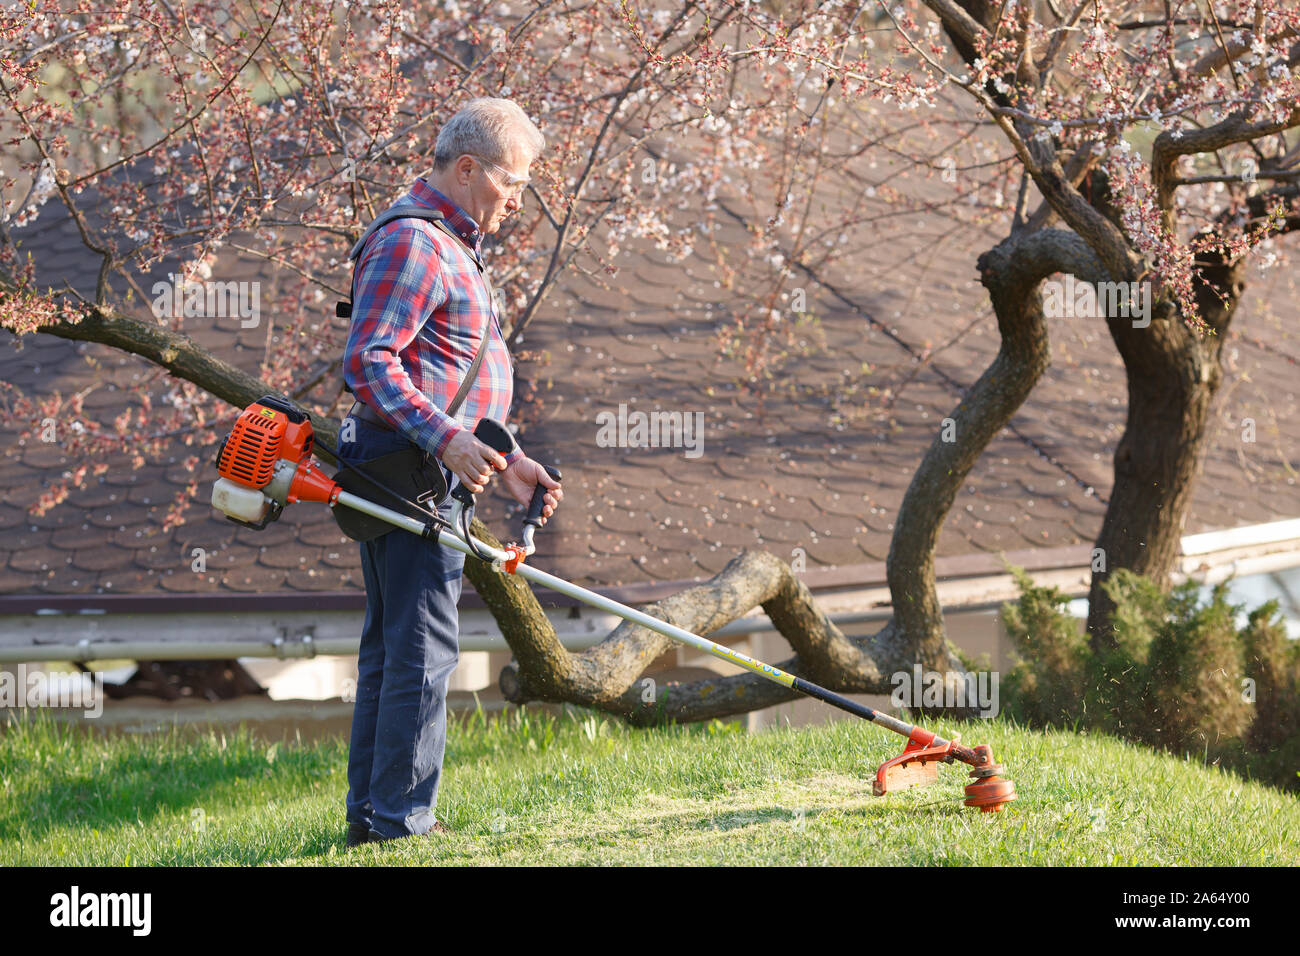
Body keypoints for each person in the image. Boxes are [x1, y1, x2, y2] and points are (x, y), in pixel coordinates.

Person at [338, 97, 562, 846]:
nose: (518, 201)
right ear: (468, 168)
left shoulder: (450, 245)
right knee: (423, 649)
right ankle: (401, 825)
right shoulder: (416, 243)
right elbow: (369, 362)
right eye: (514, 183)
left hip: (420, 469)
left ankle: (375, 821)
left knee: (397, 647)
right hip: (410, 475)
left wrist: (509, 456)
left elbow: (450, 373)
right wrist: (447, 440)